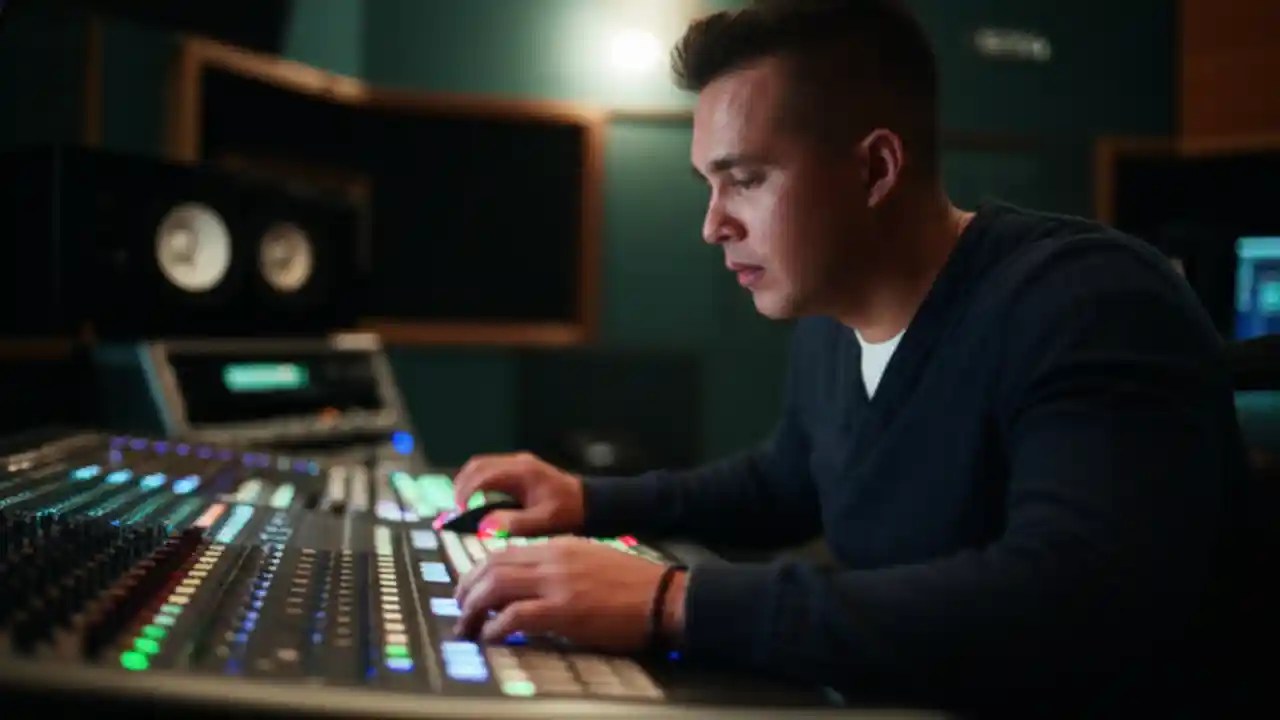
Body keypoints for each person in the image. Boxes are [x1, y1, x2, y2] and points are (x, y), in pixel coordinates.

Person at [450, 0, 1252, 714]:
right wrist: (588, 501)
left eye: (746, 180)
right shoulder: (832, 323)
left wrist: (675, 602)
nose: (713, 224)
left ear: (875, 169)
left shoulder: (1087, 301)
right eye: (708, 185)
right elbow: (786, 481)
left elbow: (1063, 597)